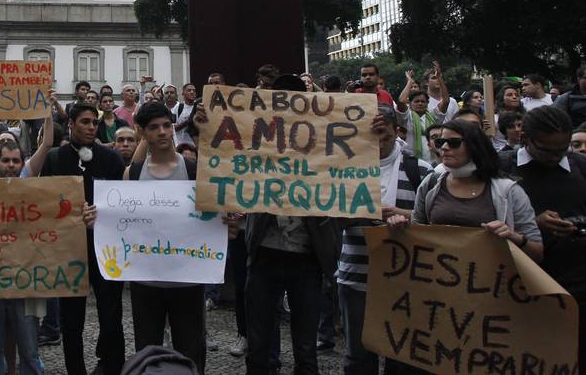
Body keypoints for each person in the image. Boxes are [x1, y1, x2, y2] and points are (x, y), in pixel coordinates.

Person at [233, 74, 342, 375]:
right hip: (265, 254)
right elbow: (225, 152)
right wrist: (207, 123)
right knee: (259, 345)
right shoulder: (256, 135)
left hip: (308, 257)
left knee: (306, 348)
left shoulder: (324, 139)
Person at [337, 106, 431, 375]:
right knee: (358, 355)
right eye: (371, 137)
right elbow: (329, 220)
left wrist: (405, 217)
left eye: (385, 136)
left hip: (405, 279)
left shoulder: (420, 170)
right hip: (356, 275)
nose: (378, 143)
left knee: (402, 355)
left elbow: (433, 222)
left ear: (397, 132)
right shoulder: (345, 171)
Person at [33, 102, 122, 375]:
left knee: (111, 314)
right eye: (85, 122)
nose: (91, 127)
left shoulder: (111, 159)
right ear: (71, 123)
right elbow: (44, 203)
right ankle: (76, 369)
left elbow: (123, 204)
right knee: (71, 319)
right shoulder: (55, 159)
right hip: (69, 250)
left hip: (105, 248)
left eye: (94, 123)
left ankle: (110, 363)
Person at [496, 106, 586, 368]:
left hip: (575, 284)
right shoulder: (501, 167)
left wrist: (577, 227)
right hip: (517, 284)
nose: (555, 157)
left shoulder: (581, 168)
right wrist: (532, 226)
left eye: (563, 150)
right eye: (547, 150)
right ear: (526, 138)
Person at [123, 101, 206, 373]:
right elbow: (122, 222)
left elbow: (211, 219)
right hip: (146, 282)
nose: (162, 132)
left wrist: (225, 223)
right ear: (142, 133)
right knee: (147, 355)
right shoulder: (133, 174)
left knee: (191, 352)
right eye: (154, 127)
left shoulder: (194, 171)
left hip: (188, 281)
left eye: (167, 126)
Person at [387, 119, 543, 262]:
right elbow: (418, 234)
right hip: (438, 285)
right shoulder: (431, 183)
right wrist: (401, 228)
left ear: (474, 146)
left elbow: (537, 252)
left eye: (454, 143)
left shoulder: (508, 191)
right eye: (440, 142)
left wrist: (513, 237)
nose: (444, 148)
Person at [0, 141, 45, 375]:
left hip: (26, 283)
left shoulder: (36, 194)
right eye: (5, 160)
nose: (11, 165)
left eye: (16, 160)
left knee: (29, 350)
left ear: (22, 163)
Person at [395, 64, 452, 162]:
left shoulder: (433, 116)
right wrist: (410, 82)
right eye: (416, 101)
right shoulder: (406, 117)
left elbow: (446, 101)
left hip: (434, 160)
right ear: (410, 103)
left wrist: (439, 78)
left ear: (427, 103)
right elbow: (401, 101)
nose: (420, 103)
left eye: (423, 101)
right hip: (411, 160)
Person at [171, 83, 198, 147]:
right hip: (181, 147)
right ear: (183, 93)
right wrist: (188, 122)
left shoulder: (199, 107)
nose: (192, 92)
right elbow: (172, 128)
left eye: (194, 90)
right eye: (189, 90)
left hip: (196, 147)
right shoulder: (177, 108)